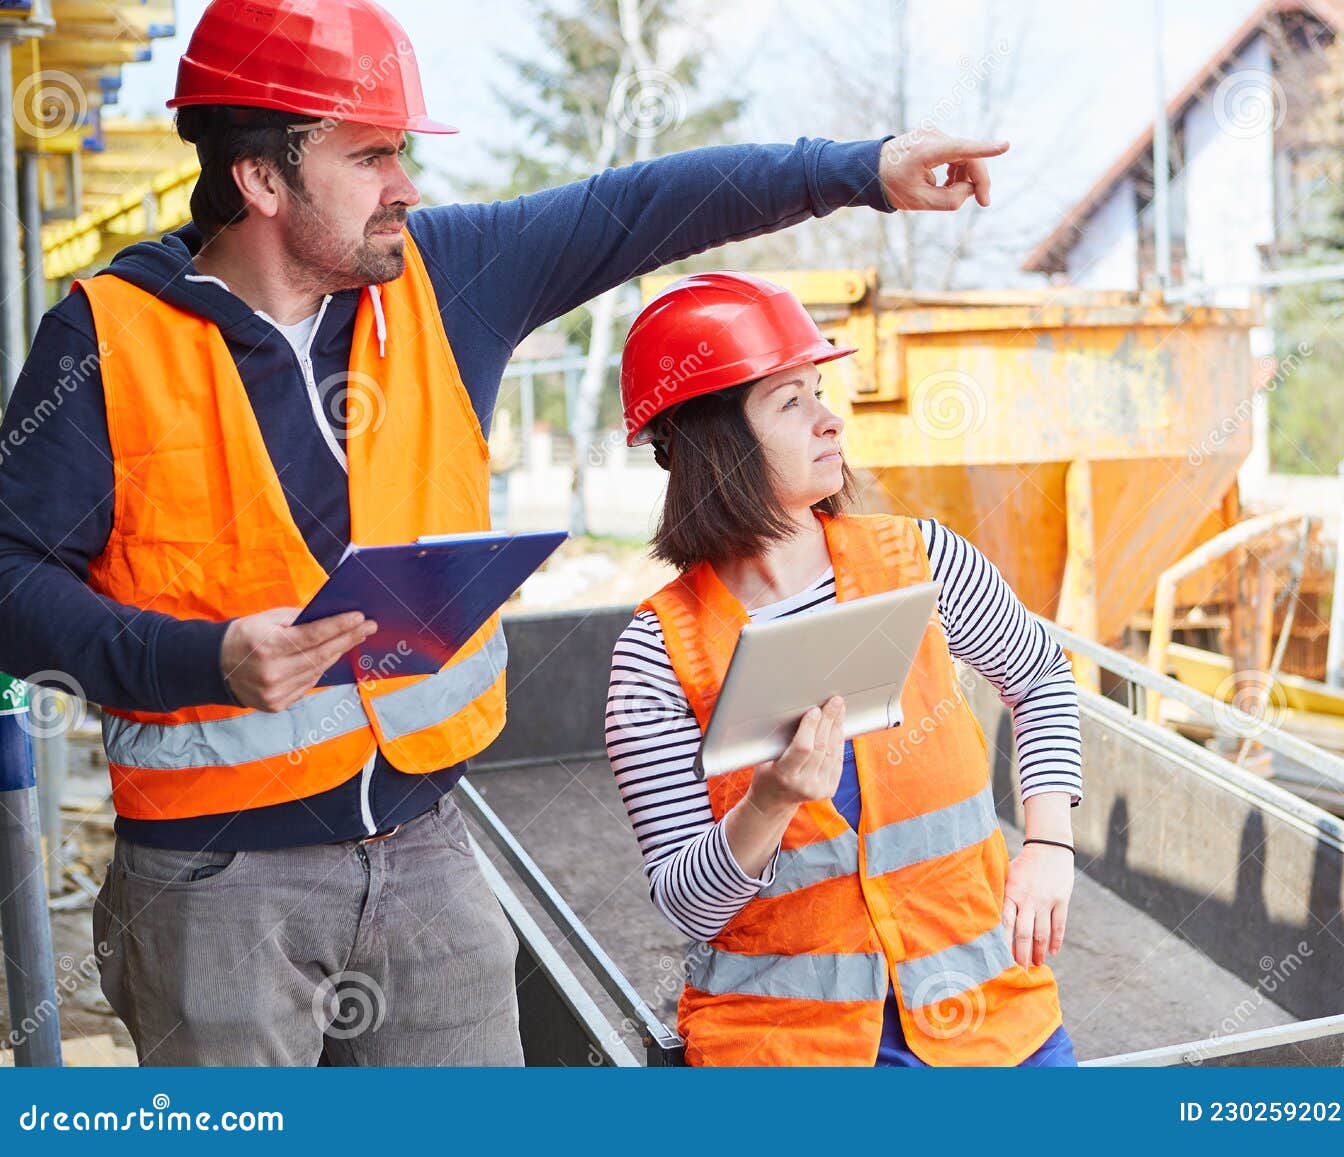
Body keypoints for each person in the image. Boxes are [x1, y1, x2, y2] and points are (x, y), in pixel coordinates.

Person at [0, 0, 1009, 1066]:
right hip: (215, 885)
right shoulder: (105, 340)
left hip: (429, 853)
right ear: (260, 177)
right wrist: (196, 658)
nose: (406, 184)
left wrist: (866, 168)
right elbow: (10, 581)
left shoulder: (447, 278)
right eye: (371, 155)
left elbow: (642, 205)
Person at [604, 273, 1084, 1066]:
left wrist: (1049, 844)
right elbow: (694, 907)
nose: (830, 422)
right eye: (791, 402)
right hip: (790, 1051)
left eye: (818, 391)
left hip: (992, 1022)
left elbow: (1041, 677)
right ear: (711, 443)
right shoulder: (658, 653)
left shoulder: (920, 560)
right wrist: (770, 801)